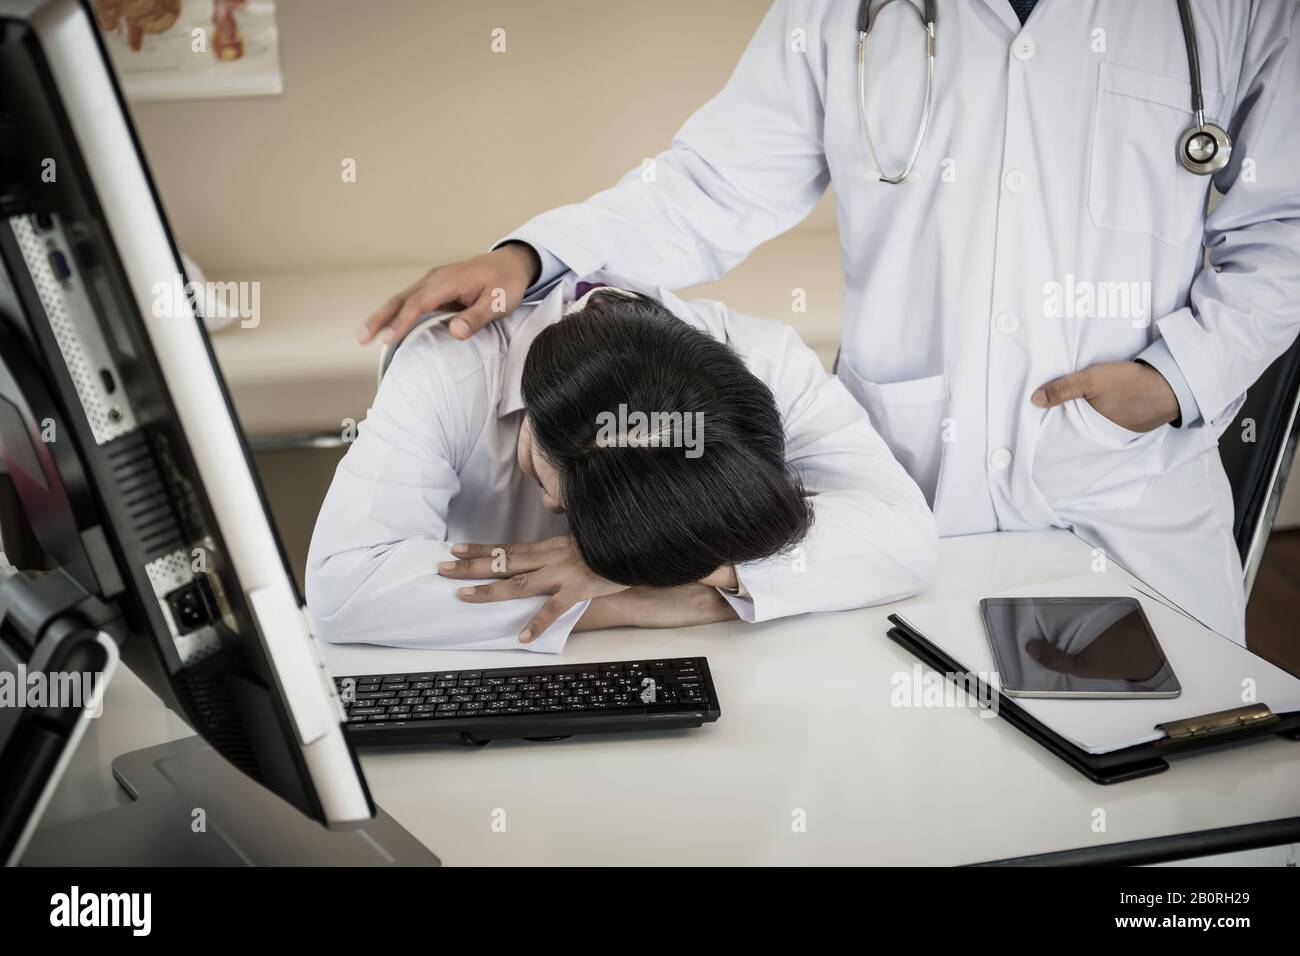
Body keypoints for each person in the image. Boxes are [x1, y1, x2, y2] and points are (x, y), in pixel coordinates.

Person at [359, 0, 1300, 646]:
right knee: (919, 791)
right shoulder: (843, 11)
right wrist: (528, 262)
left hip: (1124, 492)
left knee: (1181, 803)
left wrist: (1175, 380)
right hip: (914, 466)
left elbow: (1287, 225)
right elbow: (709, 186)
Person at [308, 275, 938, 650]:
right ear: (532, 410)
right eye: (559, 488)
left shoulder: (768, 360)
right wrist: (641, 600)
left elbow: (905, 538)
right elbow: (342, 587)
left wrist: (693, 563)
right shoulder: (448, 370)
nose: (556, 511)